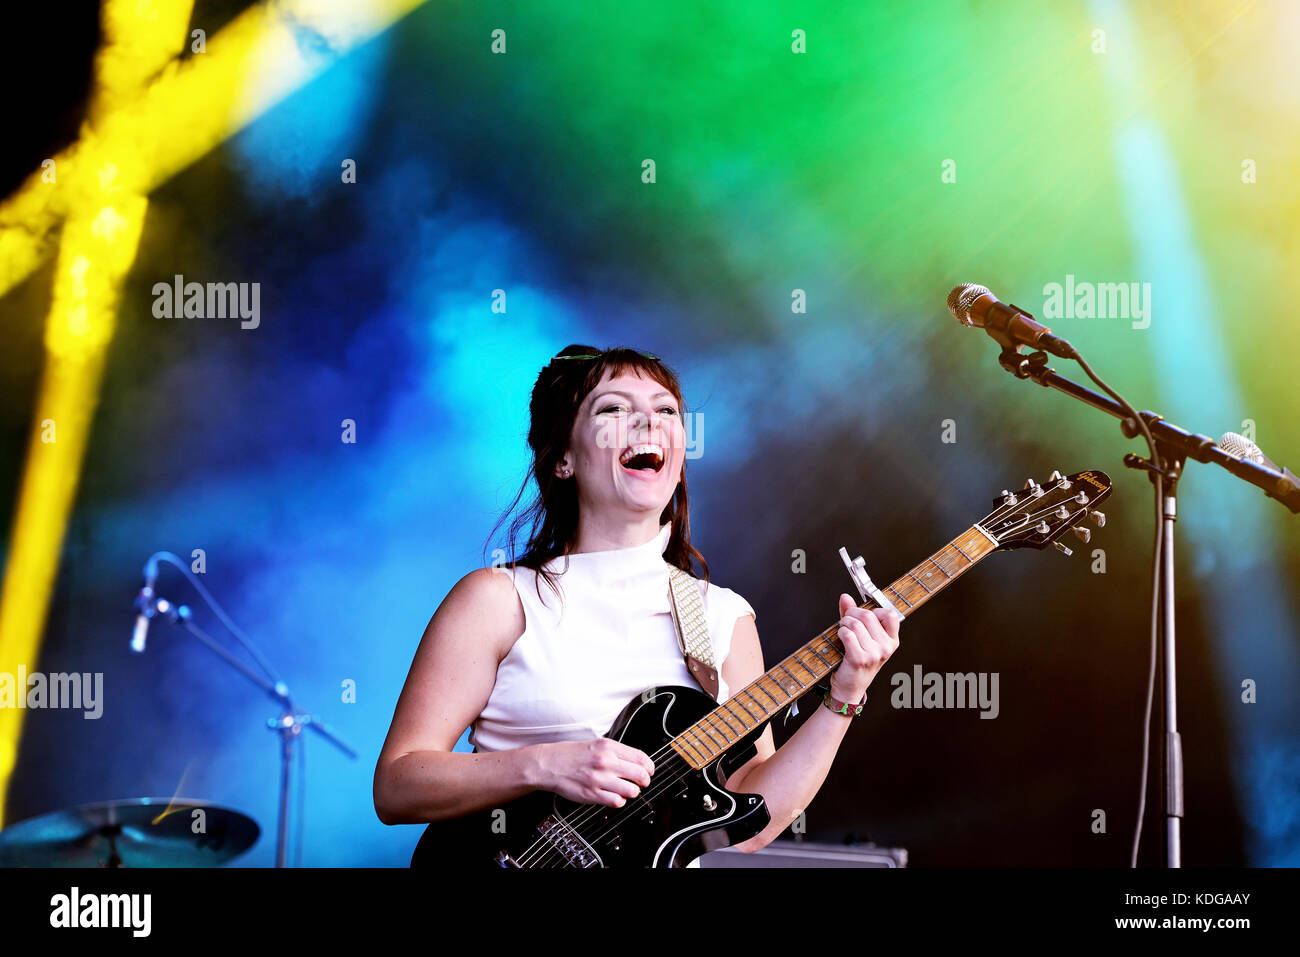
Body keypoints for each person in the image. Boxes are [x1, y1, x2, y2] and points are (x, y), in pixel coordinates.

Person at [373, 345, 901, 859]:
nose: (648, 422)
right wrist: (546, 766)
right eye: (614, 409)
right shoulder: (499, 598)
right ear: (562, 458)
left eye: (666, 411)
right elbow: (396, 786)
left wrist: (845, 695)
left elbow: (748, 825)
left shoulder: (720, 617)